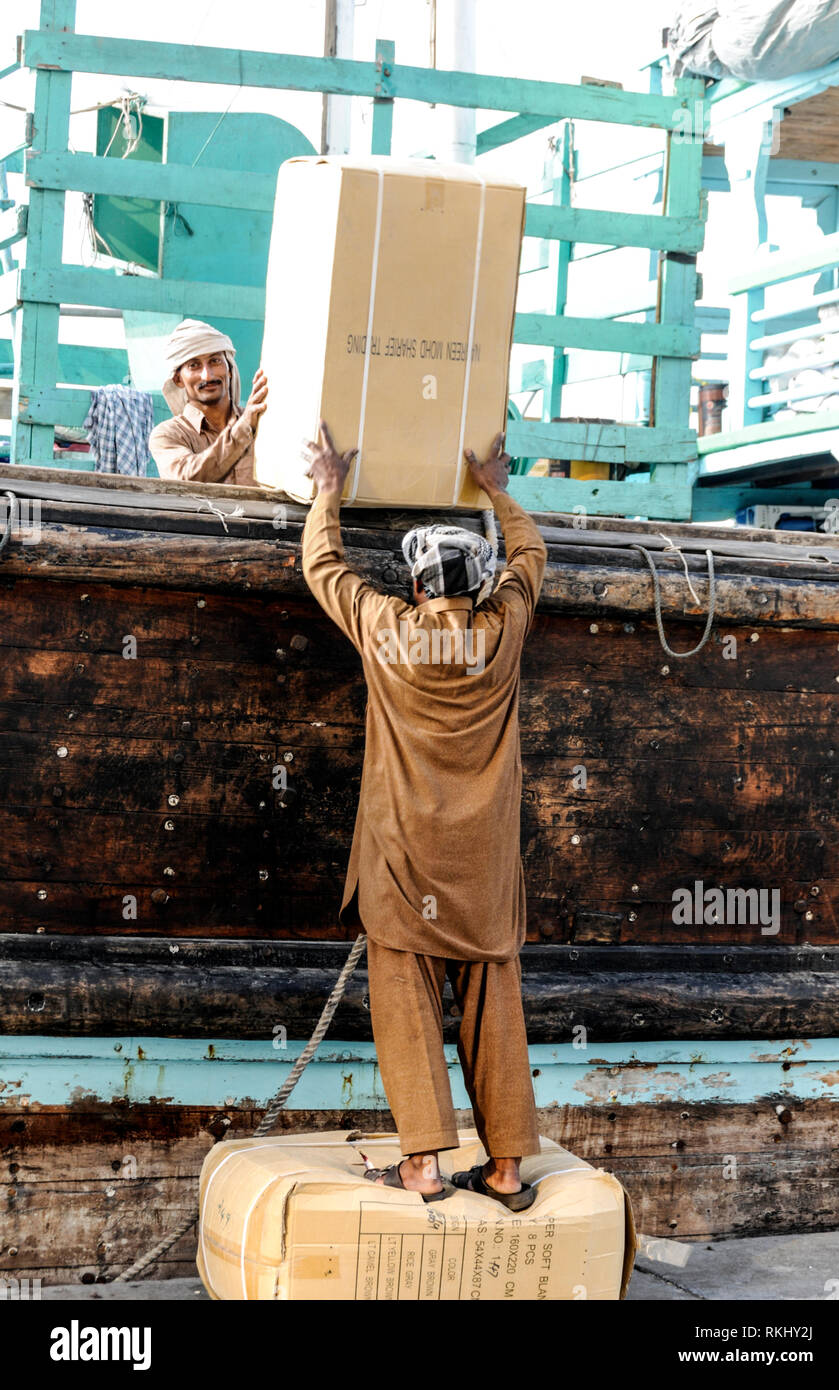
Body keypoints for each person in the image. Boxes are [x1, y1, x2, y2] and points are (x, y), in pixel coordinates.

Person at [301, 421, 548, 1209]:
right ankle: (506, 1168)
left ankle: (424, 1165)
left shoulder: (390, 631)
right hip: (482, 875)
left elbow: (322, 566)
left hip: (407, 867)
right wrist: (498, 492)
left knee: (407, 1009)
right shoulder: (501, 632)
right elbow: (532, 560)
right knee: (495, 1007)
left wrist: (329, 490)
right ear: (476, 586)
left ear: (415, 589)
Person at [148, 318, 268, 486]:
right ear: (178, 380)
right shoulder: (169, 435)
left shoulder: (263, 423)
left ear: (230, 369)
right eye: (194, 365)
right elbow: (187, 481)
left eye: (215, 361)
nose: (208, 375)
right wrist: (243, 430)